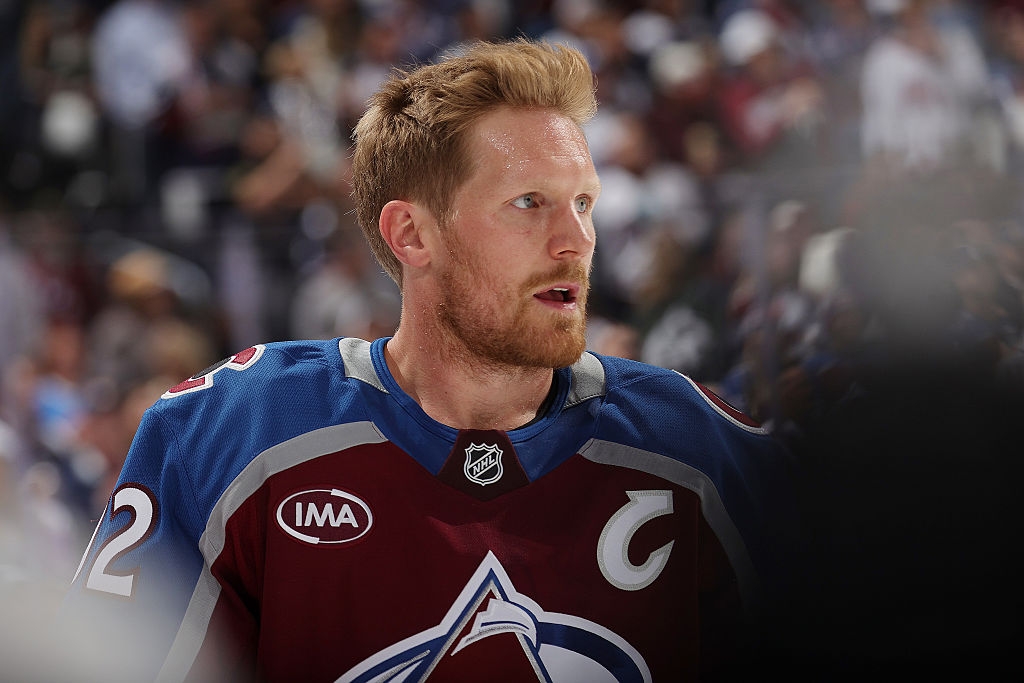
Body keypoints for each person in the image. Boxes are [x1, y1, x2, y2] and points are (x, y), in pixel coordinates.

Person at [58, 39, 796, 682]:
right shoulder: (226, 436)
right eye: (530, 202)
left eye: (584, 203)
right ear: (412, 235)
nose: (575, 241)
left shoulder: (697, 449)